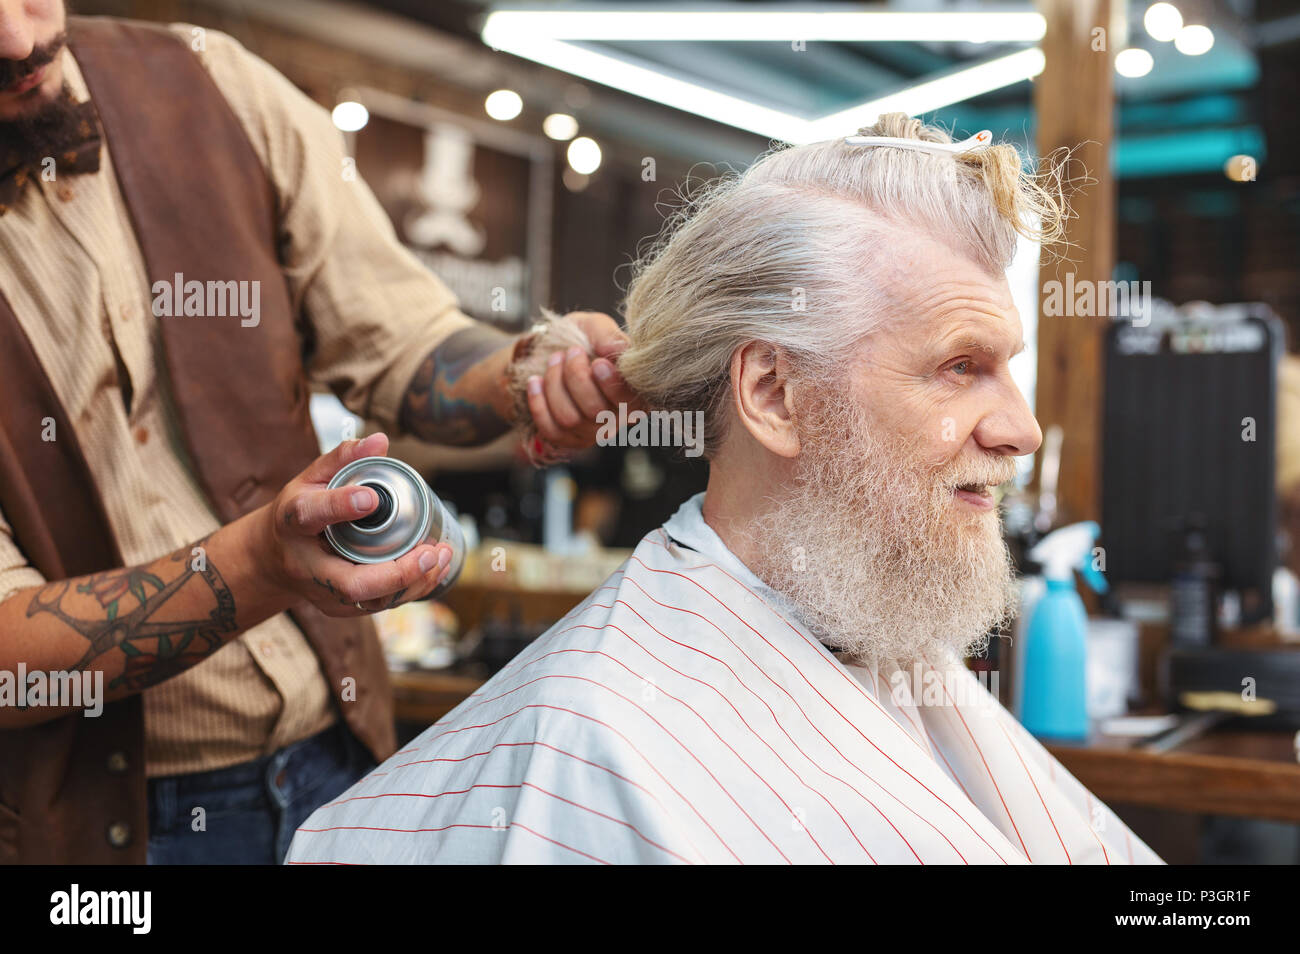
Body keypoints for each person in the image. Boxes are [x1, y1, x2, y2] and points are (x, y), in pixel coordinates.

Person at [288, 115, 1164, 864]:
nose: (1022, 428)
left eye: (1005, 367)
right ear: (773, 396)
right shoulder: (593, 735)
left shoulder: (884, 649)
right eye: (959, 367)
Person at [0, 3, 638, 864]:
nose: (15, 36)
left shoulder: (209, 84)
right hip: (97, 827)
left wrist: (527, 375)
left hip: (335, 760)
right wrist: (258, 566)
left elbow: (404, 346)